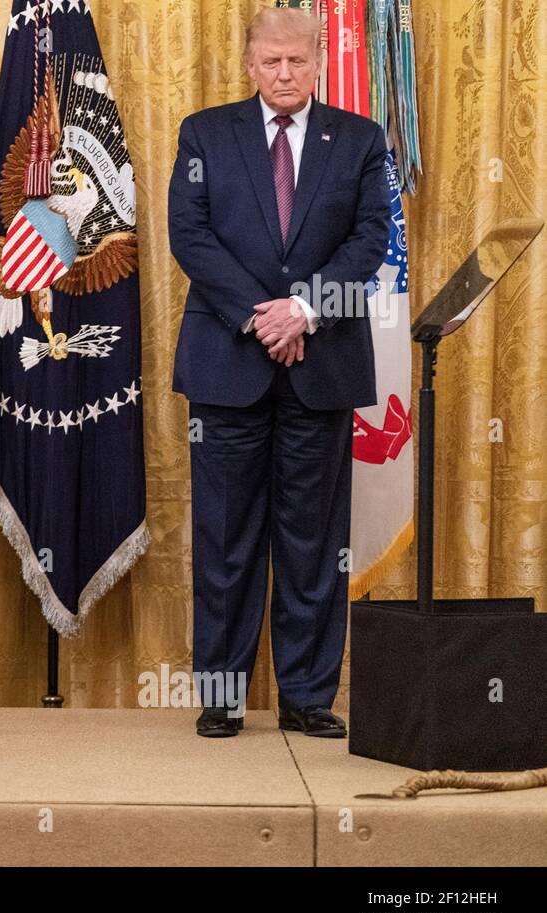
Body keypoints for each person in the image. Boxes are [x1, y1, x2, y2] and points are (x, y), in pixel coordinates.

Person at [168, 7, 389, 738]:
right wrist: (262, 316)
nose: (284, 74)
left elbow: (368, 242)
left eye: (297, 61)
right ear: (249, 64)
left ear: (319, 61)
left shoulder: (360, 140)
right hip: (228, 366)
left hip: (321, 365)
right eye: (271, 62)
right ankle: (224, 696)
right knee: (226, 540)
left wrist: (305, 310)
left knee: (313, 542)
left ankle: (307, 697)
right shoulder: (204, 133)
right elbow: (190, 235)